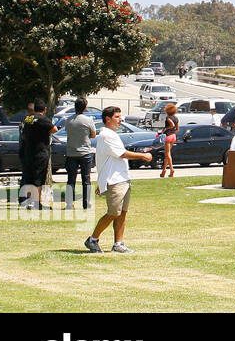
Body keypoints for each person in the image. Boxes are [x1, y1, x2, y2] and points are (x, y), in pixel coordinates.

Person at [84, 107, 152, 253]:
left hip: (123, 179)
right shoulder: (107, 135)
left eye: (120, 116)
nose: (121, 119)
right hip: (115, 181)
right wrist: (143, 156)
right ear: (108, 119)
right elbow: (121, 154)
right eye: (117, 116)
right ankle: (93, 239)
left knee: (122, 213)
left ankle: (118, 244)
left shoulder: (111, 134)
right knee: (114, 212)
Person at [19, 99, 55, 208]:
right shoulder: (43, 118)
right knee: (38, 179)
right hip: (40, 153)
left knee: (29, 178)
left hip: (28, 152)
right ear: (44, 109)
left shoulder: (28, 118)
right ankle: (36, 203)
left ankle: (29, 202)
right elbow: (54, 129)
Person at [64, 98, 96, 210]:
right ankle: (86, 203)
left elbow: (68, 132)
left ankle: (69, 204)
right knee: (86, 179)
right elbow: (93, 134)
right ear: (85, 107)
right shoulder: (88, 120)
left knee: (70, 179)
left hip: (71, 153)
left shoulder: (68, 120)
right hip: (85, 153)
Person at [160, 103, 179, 178]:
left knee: (167, 153)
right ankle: (163, 171)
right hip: (173, 136)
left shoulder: (168, 118)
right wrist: (173, 131)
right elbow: (177, 129)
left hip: (168, 136)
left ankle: (171, 169)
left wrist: (165, 129)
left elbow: (172, 125)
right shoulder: (176, 118)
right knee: (167, 155)